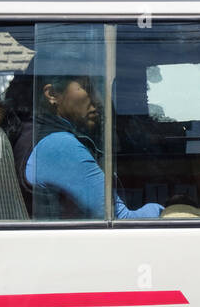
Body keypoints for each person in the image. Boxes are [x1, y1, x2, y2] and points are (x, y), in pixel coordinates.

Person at [24, 74, 162, 219]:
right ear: (52, 94)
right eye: (88, 88)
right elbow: (120, 220)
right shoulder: (60, 146)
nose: (98, 101)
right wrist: (167, 210)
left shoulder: (31, 132)